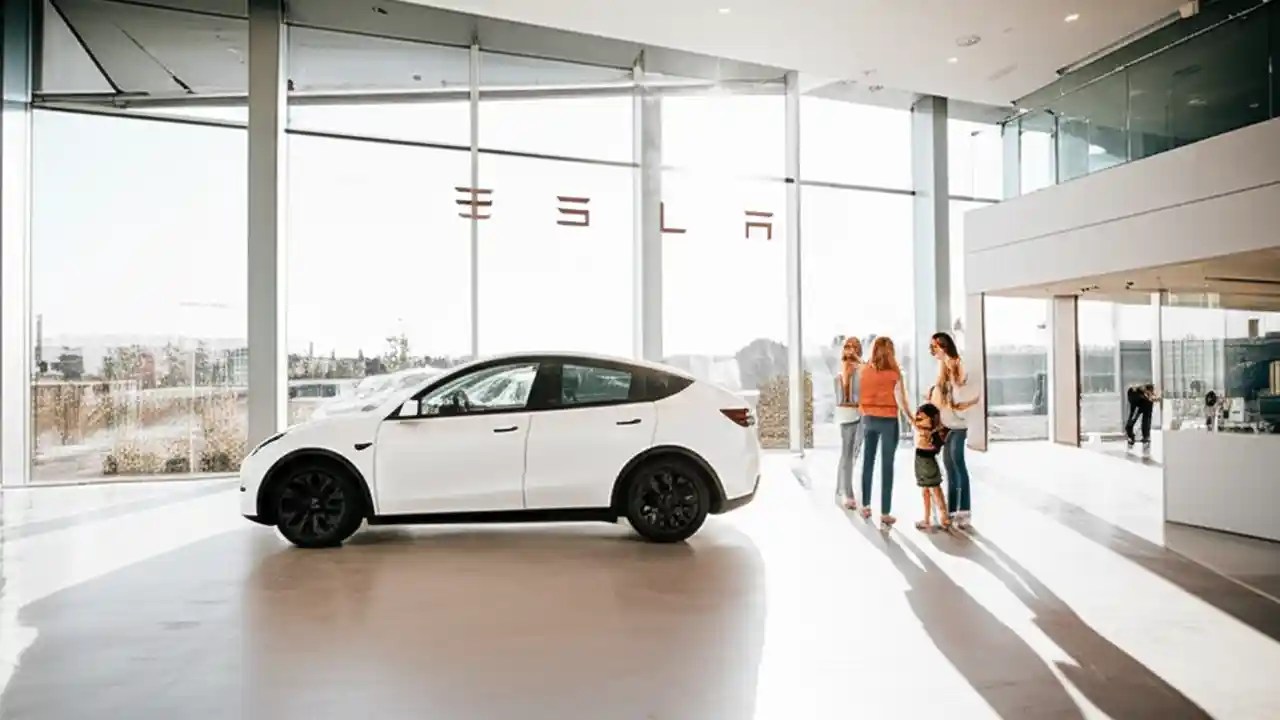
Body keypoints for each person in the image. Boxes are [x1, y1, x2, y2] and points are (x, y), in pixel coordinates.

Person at [858, 336, 913, 527]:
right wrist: (912, 418)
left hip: (868, 418)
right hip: (889, 420)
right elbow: (901, 400)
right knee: (887, 465)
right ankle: (885, 512)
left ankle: (865, 506)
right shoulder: (894, 374)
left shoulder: (864, 371)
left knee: (868, 462)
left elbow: (859, 394)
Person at [930, 332, 980, 529]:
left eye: (935, 347)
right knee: (949, 465)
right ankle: (951, 510)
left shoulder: (957, 363)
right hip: (947, 423)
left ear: (943, 346)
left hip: (959, 423)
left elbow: (960, 392)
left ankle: (964, 511)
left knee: (958, 463)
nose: (933, 351)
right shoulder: (942, 367)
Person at [834, 336, 865, 510]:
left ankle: (840, 487)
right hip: (847, 417)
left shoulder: (864, 373)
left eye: (854, 351)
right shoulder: (839, 377)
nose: (850, 359)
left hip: (862, 417)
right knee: (846, 452)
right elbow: (841, 401)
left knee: (853, 453)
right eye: (847, 355)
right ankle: (848, 492)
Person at [911, 401, 951, 532]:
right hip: (920, 460)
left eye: (921, 418)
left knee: (934, 489)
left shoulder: (927, 431)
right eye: (917, 417)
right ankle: (930, 518)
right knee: (927, 491)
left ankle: (943, 516)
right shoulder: (927, 430)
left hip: (926, 461)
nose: (917, 420)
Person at [1125, 383, 1157, 451]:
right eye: (1149, 393)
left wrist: (1146, 435)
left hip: (1144, 402)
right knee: (1132, 419)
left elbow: (1148, 418)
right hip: (1136, 400)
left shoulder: (1148, 400)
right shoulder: (1135, 392)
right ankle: (1131, 435)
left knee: (1146, 418)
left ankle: (1145, 436)